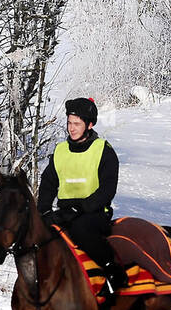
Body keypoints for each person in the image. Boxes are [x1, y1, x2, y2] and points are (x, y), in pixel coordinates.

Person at [37, 97, 125, 295]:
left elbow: (107, 189)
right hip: (66, 212)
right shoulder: (60, 151)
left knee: (81, 229)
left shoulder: (103, 150)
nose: (71, 128)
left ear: (90, 124)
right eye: (69, 123)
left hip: (94, 213)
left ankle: (112, 269)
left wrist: (84, 206)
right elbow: (48, 183)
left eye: (77, 124)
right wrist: (43, 210)